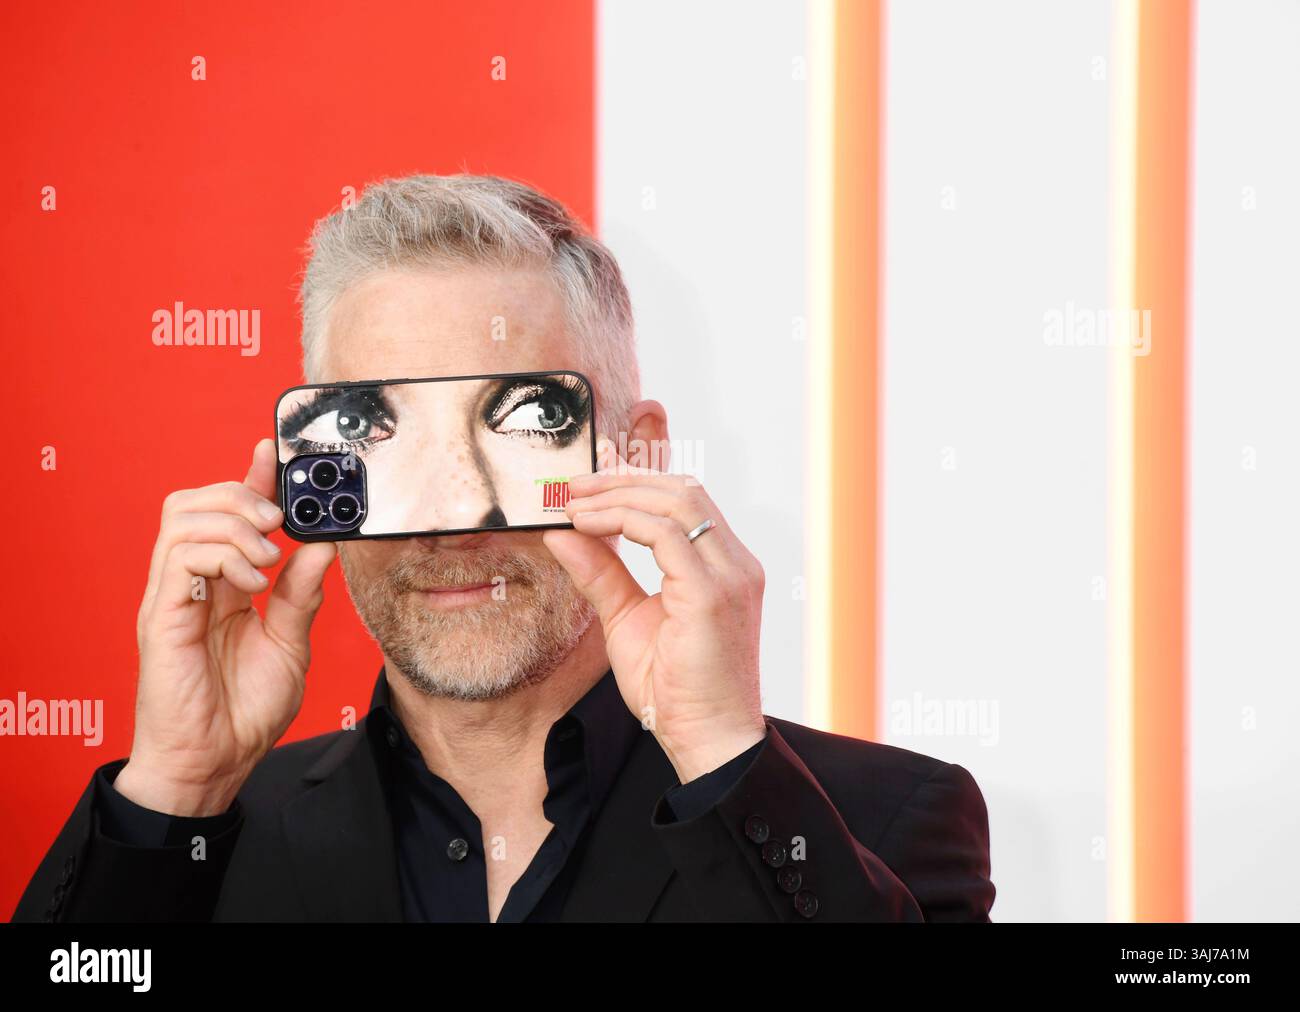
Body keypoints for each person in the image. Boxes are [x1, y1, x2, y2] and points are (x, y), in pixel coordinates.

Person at [13, 174, 995, 922]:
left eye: (525, 423)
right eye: (376, 435)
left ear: (636, 453)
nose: (448, 517)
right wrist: (175, 791)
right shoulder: (200, 838)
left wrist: (721, 759)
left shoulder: (885, 819)